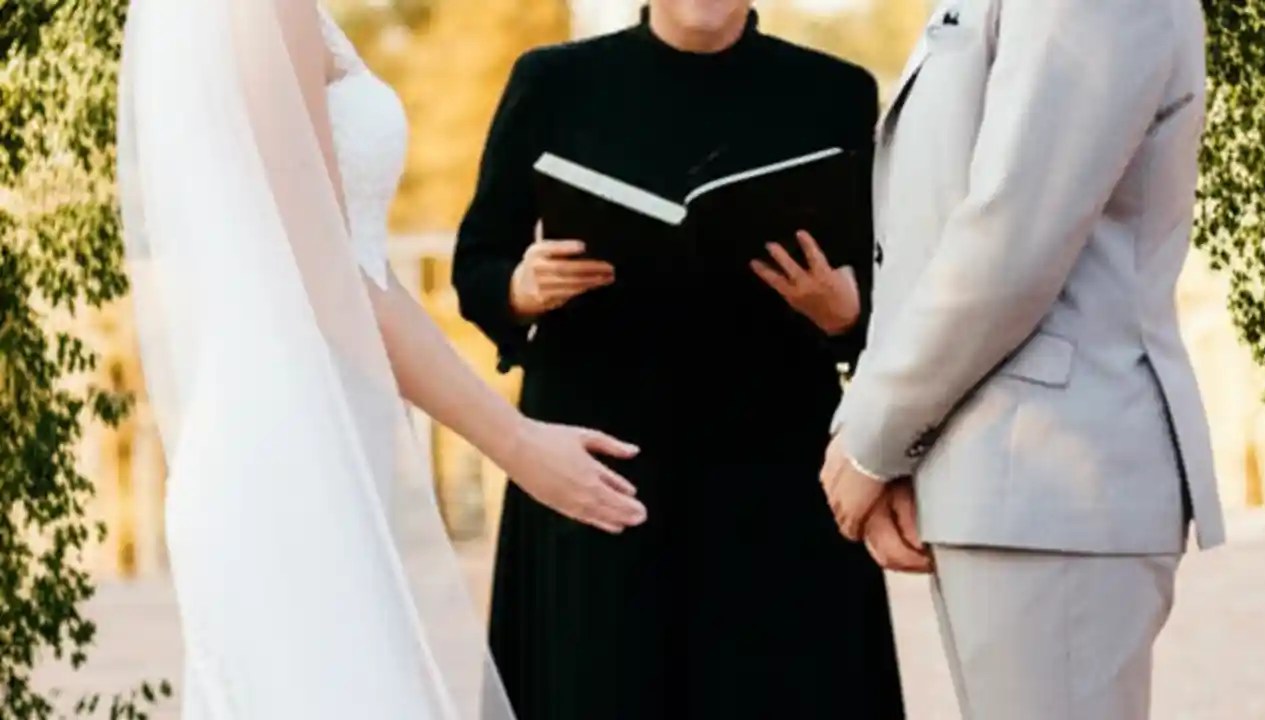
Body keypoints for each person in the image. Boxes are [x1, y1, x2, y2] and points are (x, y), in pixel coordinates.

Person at [117, 0, 646, 716]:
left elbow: (355, 263)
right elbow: (333, 281)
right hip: (281, 452)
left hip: (316, 428)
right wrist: (517, 444)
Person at [452, 2, 903, 718]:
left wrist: (845, 309)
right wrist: (522, 286)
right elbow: (478, 263)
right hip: (599, 469)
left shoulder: (835, 91)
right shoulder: (552, 81)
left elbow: (885, 284)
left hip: (775, 470)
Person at [822, 1, 1226, 718]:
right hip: (1005, 475)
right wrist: (892, 440)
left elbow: (1011, 240)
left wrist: (876, 440)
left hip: (1056, 477)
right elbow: (930, 228)